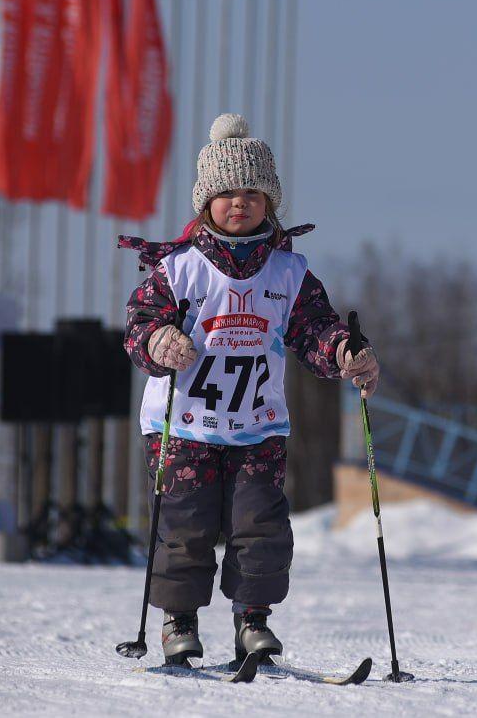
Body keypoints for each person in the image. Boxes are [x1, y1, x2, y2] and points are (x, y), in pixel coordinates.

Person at [120, 113, 380, 666]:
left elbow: (314, 330)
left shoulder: (288, 272)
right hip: (183, 424)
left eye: (253, 193)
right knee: (184, 527)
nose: (240, 203)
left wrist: (344, 353)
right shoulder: (179, 269)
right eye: (227, 193)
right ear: (205, 202)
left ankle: (252, 620)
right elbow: (138, 324)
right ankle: (178, 621)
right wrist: (160, 341)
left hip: (258, 424)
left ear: (271, 202)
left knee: (258, 526)